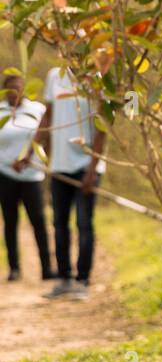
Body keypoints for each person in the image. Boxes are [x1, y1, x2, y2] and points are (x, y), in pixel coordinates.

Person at [36, 66, 107, 301]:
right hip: (59, 165)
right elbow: (48, 115)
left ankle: (82, 281)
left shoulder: (100, 78)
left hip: (86, 166)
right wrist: (31, 152)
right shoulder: (55, 75)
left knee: (84, 223)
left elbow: (104, 127)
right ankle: (64, 279)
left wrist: (92, 169)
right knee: (59, 223)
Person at [0, 73, 54, 282]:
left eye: (18, 88)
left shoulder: (37, 109)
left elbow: (47, 135)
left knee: (38, 221)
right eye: (10, 89)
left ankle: (47, 268)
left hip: (32, 174)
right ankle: (14, 268)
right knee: (10, 221)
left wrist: (49, 159)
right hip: (5, 174)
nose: (15, 93)